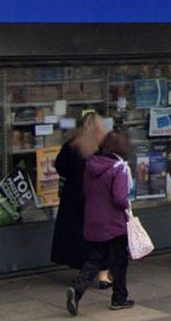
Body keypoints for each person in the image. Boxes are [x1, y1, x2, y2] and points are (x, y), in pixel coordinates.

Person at [65, 130, 134, 315]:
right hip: (114, 223)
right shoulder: (119, 168)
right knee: (119, 261)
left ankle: (77, 289)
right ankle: (119, 298)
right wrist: (127, 205)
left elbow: (86, 192)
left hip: (94, 221)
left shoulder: (91, 166)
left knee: (96, 258)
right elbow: (119, 198)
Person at [50, 111, 105, 277]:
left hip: (74, 196)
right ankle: (103, 275)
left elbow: (61, 167)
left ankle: (83, 270)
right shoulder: (102, 147)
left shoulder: (72, 145)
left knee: (79, 234)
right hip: (97, 195)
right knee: (101, 234)